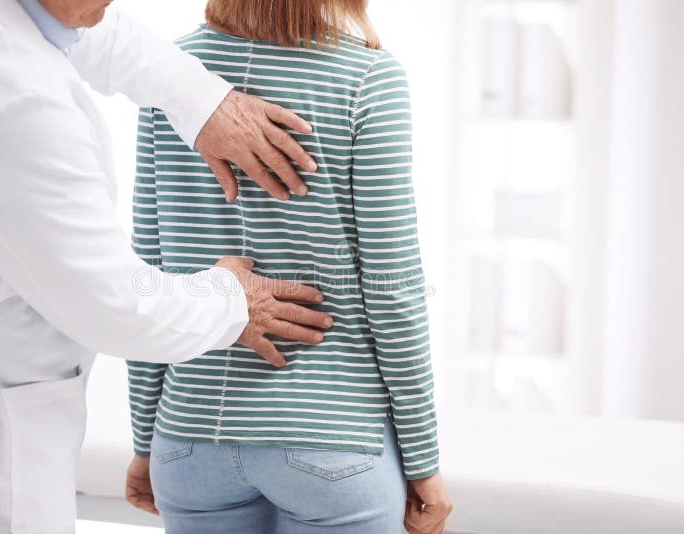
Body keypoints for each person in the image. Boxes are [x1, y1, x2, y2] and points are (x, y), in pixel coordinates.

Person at [0, 0, 334, 532]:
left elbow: (81, 27)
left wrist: (197, 97)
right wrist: (232, 298)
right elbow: (119, 304)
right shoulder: (11, 101)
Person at [123, 1, 453, 533]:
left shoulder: (173, 70)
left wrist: (145, 436)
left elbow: (149, 267)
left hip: (189, 440)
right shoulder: (368, 78)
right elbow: (394, 288)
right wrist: (423, 460)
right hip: (333, 443)